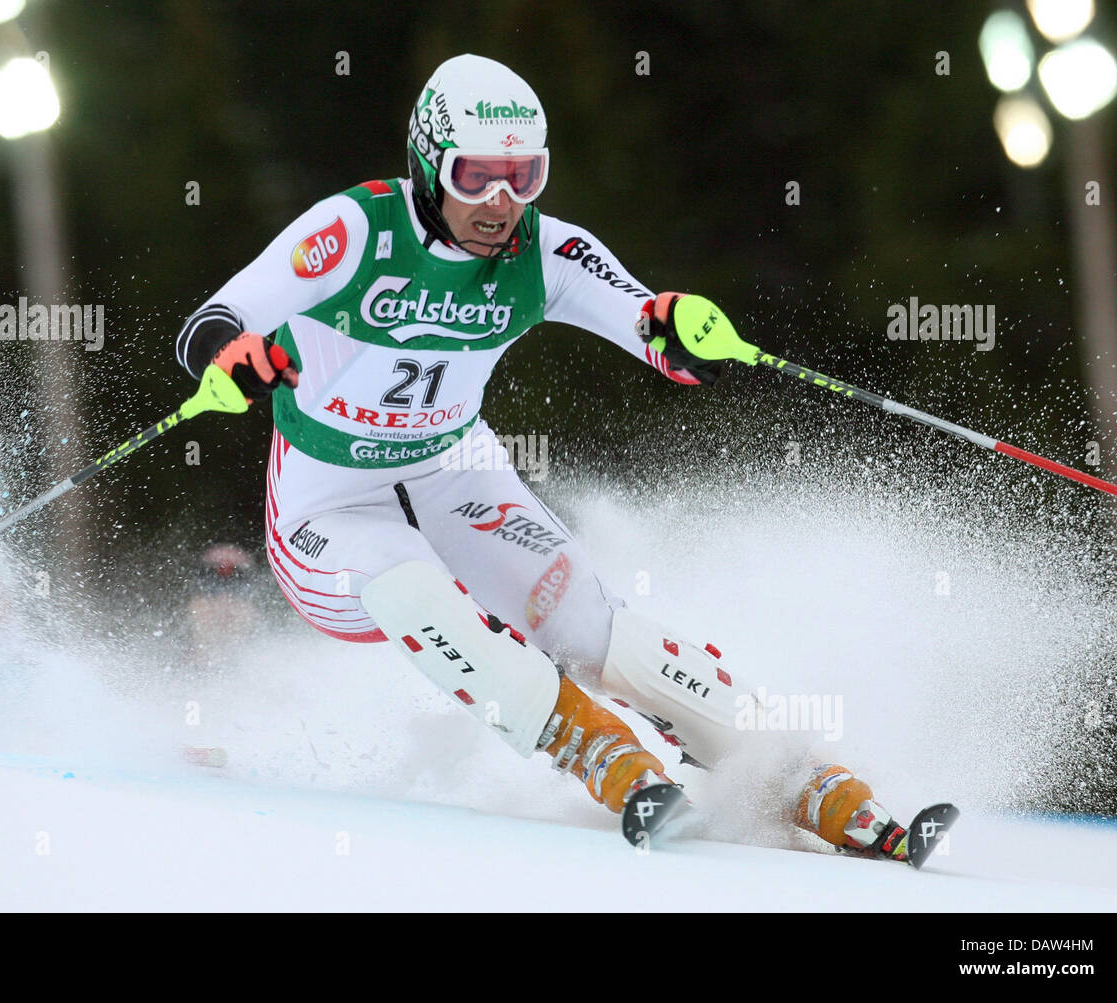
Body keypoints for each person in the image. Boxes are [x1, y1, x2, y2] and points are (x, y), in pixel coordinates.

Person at [176, 54, 907, 857]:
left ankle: (797, 775)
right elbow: (217, 316)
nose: (500, 202)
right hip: (329, 509)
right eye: (476, 175)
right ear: (427, 165)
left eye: (524, 176)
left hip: (452, 472)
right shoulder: (352, 233)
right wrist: (232, 356)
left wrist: (684, 333)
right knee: (418, 591)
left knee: (587, 623)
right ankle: (593, 747)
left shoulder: (547, 253)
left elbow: (650, 327)